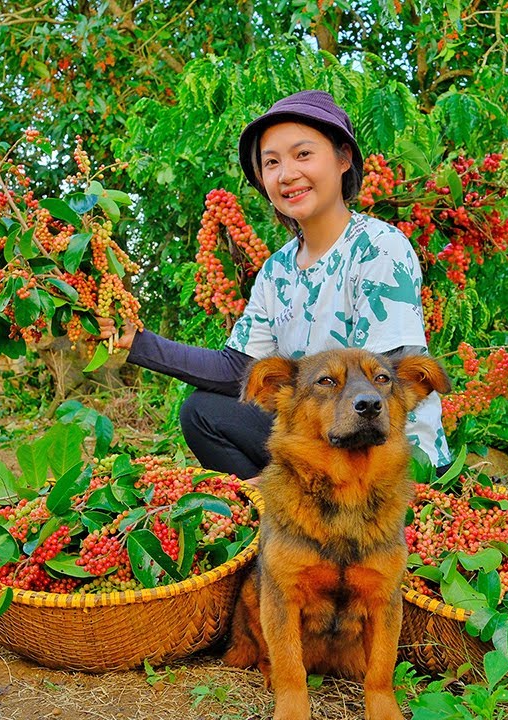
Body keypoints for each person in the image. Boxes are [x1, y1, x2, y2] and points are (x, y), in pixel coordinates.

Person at [98, 90, 451, 478]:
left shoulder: (378, 248)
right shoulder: (277, 270)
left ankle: (351, 516)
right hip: (323, 444)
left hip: (389, 455)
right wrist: (138, 341)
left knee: (364, 401)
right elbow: (238, 368)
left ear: (343, 158)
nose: (287, 174)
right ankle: (275, 513)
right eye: (271, 162)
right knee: (202, 412)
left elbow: (386, 380)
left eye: (303, 154)